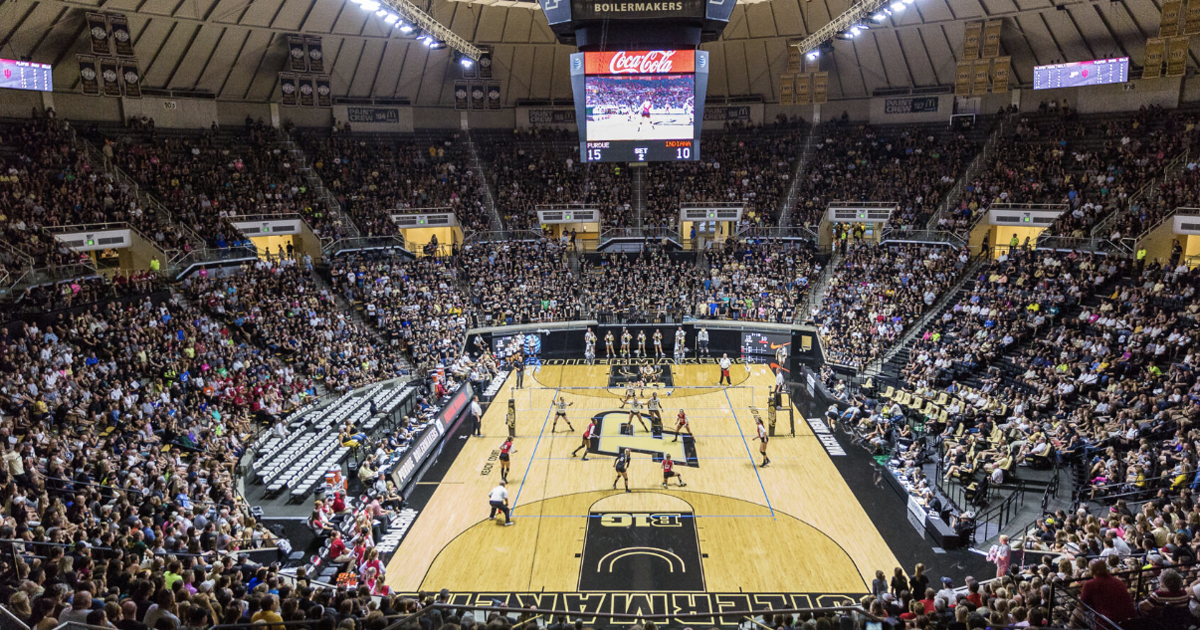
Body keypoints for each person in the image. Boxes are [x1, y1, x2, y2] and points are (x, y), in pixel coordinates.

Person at [1078, 560, 1135, 625]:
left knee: (1077, 611)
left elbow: (1083, 604)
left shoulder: (1089, 584)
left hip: (1106, 622)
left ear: (1092, 571)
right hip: (1126, 621)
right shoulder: (1118, 581)